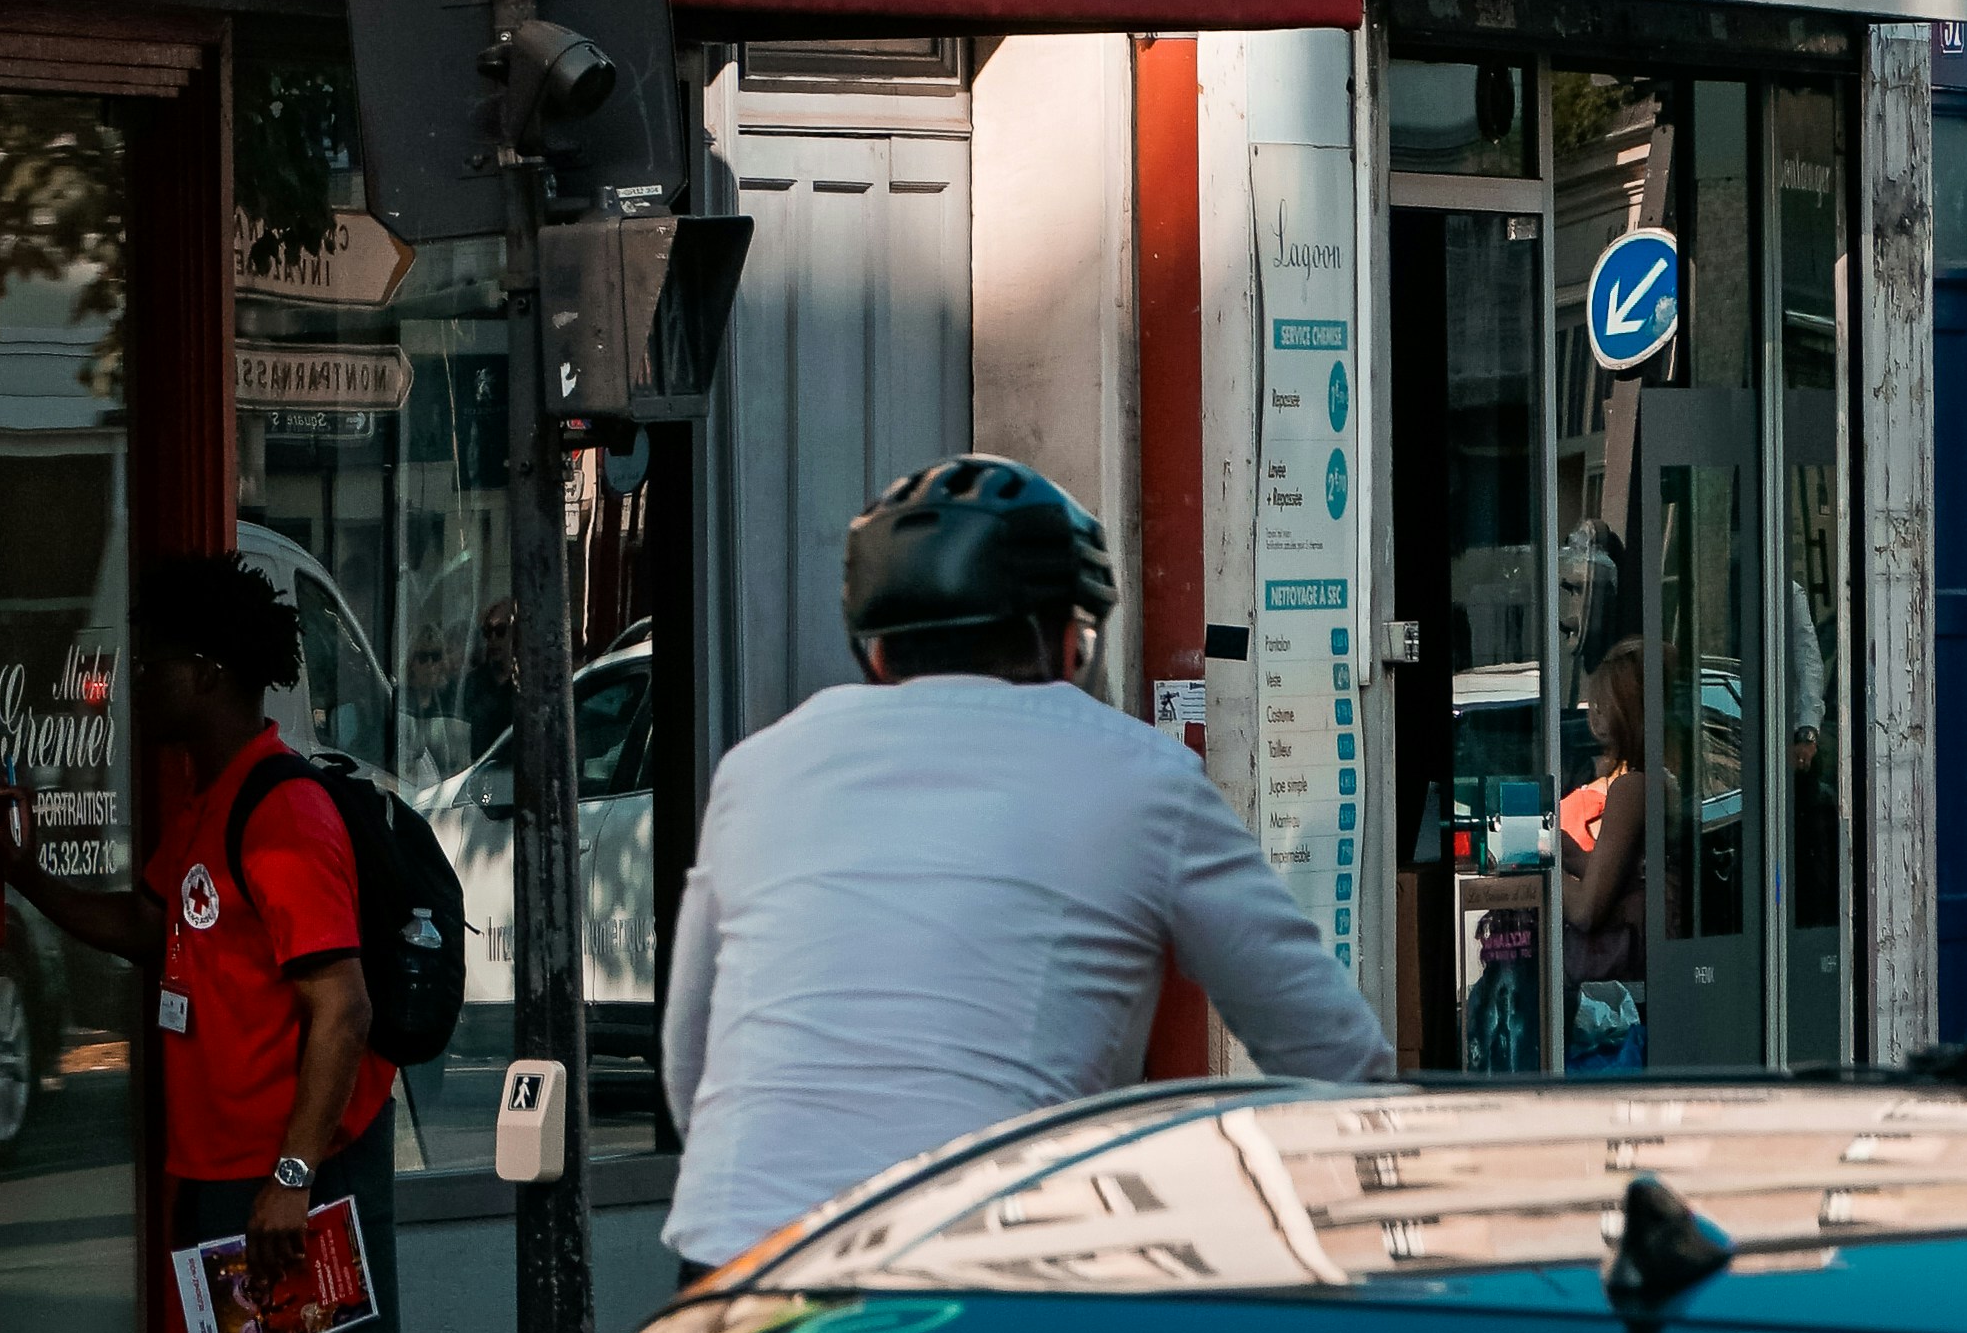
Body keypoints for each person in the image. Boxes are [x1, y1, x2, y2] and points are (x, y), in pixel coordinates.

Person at [662, 451, 1390, 1266]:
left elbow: (690, 1061)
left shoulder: (758, 770)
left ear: (872, 648)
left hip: (734, 1268)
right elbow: (1330, 1054)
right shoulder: (1139, 776)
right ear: (1064, 641)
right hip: (982, 1271)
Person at [0, 549, 399, 1333]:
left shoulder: (282, 809)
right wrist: (17, 872)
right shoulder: (214, 804)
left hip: (293, 1155)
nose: (135, 679)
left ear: (207, 670)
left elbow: (340, 1005)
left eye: (153, 659)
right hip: (221, 1157)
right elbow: (144, 921)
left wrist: (293, 1175)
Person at [1559, 633, 1648, 1072]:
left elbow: (1589, 908)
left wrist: (1544, 877)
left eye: (1601, 705)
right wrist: (1573, 855)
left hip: (1635, 992)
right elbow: (1620, 878)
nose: (1592, 715)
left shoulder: (1632, 788)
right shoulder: (1666, 780)